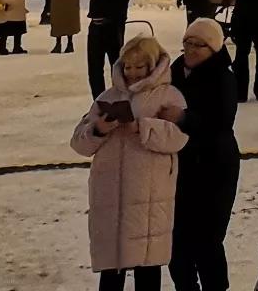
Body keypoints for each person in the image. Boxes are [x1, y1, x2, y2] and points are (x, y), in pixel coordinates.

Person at [70, 34, 188, 291]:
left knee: (147, 270)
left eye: (139, 66)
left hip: (149, 196)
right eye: (128, 66)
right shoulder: (108, 96)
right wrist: (99, 129)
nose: (132, 72)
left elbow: (177, 139)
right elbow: (78, 144)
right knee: (111, 273)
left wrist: (141, 126)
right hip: (110, 196)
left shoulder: (170, 96)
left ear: (153, 65)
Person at [168, 18, 240, 291]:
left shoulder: (223, 77)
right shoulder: (175, 71)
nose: (192, 50)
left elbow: (220, 123)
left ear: (213, 48)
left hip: (215, 169)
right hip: (181, 168)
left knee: (207, 241)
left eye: (200, 45)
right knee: (176, 243)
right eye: (188, 43)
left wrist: (184, 118)